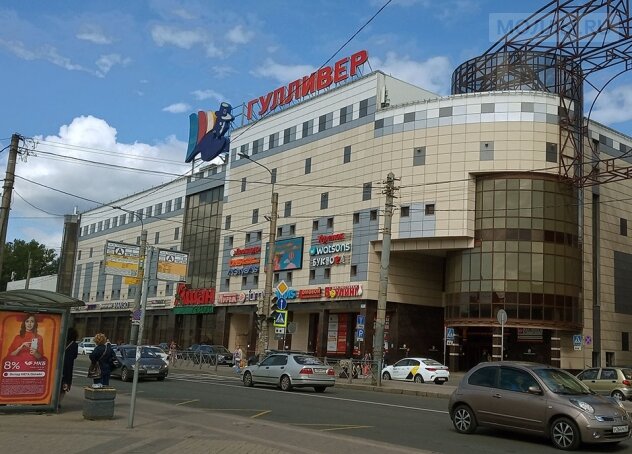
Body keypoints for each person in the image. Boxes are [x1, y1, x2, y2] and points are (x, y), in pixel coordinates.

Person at [59, 327, 78, 409]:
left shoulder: (61, 341)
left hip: (58, 364)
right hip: (68, 366)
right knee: (64, 383)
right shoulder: (74, 344)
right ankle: (58, 402)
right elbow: (75, 356)